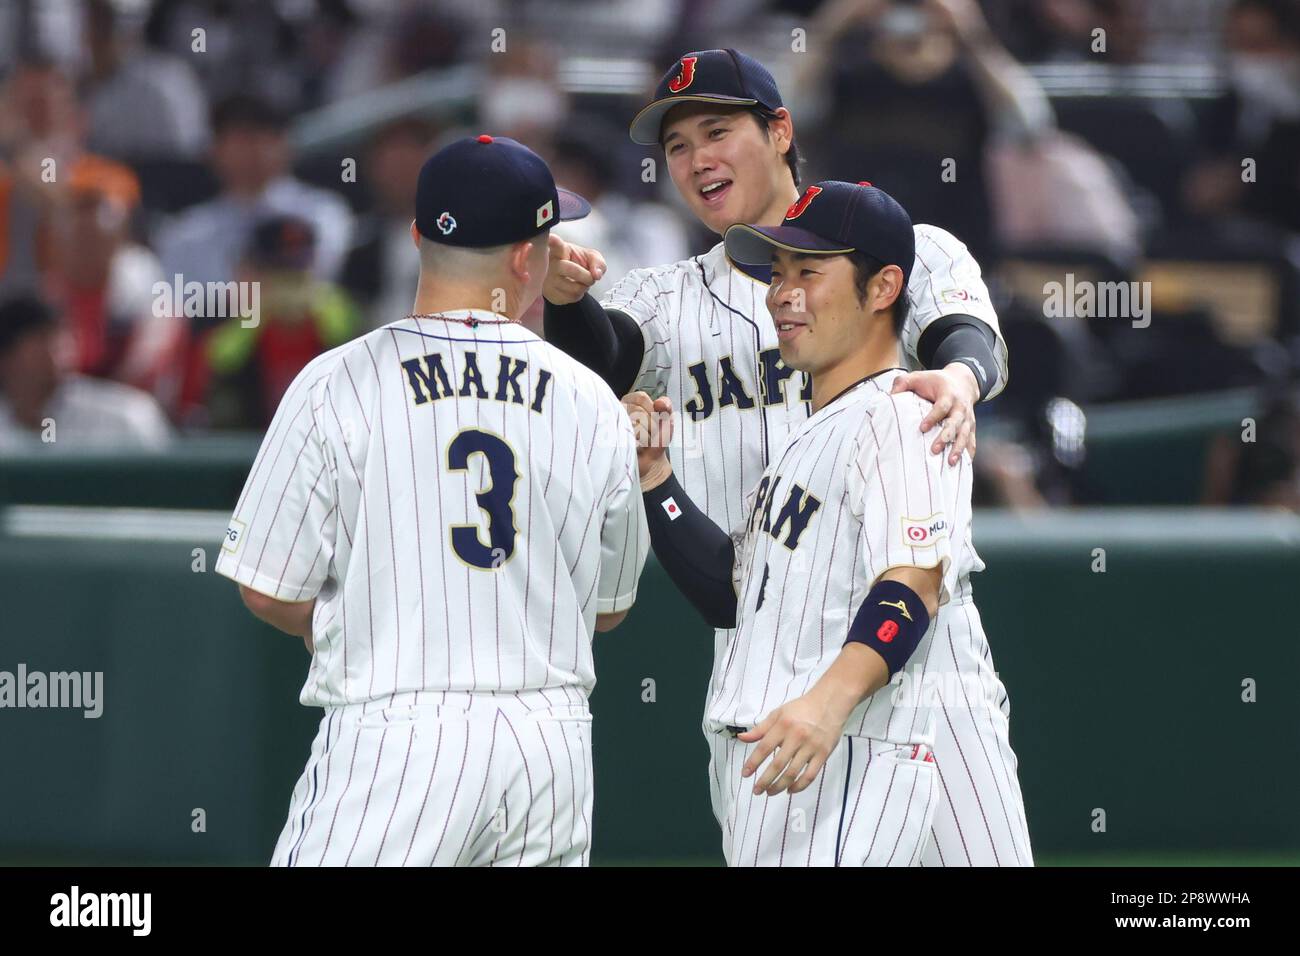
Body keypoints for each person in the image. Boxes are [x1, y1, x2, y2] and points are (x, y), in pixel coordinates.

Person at [543, 49, 1024, 865]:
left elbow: (964, 338)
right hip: (766, 642)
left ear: (780, 131)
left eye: (718, 130)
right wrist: (564, 307)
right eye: (677, 145)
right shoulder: (661, 298)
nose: (697, 159)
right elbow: (606, 354)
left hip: (928, 651)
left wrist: (959, 377)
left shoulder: (891, 242)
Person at [215, 134, 648, 867]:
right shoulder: (592, 399)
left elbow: (265, 587)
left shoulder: (336, 382)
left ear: (416, 236)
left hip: (397, 733)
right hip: (550, 745)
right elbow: (610, 609)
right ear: (525, 257)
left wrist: (351, 627)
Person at [625, 180, 1028, 865]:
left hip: (837, 747)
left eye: (809, 272)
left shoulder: (903, 412)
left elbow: (914, 584)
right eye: (776, 275)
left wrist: (826, 704)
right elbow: (728, 593)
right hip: (791, 747)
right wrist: (657, 478)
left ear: (881, 288)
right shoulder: (806, 441)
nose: (782, 293)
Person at [0, 295, 171, 452]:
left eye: (59, 337)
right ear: (7, 357)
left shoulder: (127, 417)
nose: (58, 350)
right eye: (42, 338)